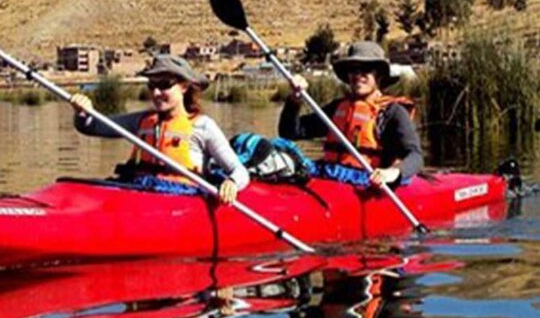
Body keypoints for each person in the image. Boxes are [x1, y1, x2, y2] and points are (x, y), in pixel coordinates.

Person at [70, 54, 249, 204]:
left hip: (181, 199)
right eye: (151, 85)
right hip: (140, 191)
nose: (156, 93)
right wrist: (83, 112)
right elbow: (91, 127)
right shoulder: (141, 121)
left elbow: (240, 172)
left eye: (164, 85)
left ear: (184, 86)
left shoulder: (203, 126)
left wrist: (231, 183)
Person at [278, 41, 423, 187]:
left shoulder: (392, 112)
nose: (358, 75)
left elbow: (415, 155)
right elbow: (289, 132)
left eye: (366, 69)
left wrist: (393, 172)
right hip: (330, 177)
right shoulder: (337, 108)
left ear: (378, 75)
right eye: (353, 70)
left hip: (368, 182)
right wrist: (294, 100)